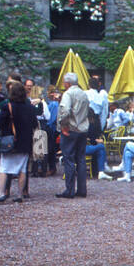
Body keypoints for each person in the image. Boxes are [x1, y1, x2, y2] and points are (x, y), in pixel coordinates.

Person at [0, 80, 36, 204]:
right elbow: (34, 124)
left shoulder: (8, 106)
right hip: (25, 142)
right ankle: (20, 194)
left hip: (10, 141)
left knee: (4, 168)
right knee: (22, 169)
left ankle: (1, 193)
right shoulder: (30, 108)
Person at [57, 71, 91, 199]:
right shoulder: (83, 93)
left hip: (71, 129)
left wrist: (63, 125)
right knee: (81, 159)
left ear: (67, 83)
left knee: (69, 158)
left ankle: (69, 190)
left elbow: (65, 110)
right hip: (83, 129)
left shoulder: (68, 93)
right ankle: (82, 189)